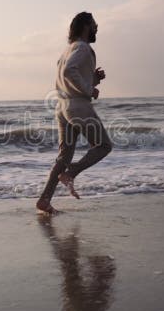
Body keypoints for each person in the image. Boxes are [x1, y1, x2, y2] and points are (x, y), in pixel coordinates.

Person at [37, 11, 113, 215]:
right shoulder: (82, 47)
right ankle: (71, 173)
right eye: (94, 24)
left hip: (62, 107)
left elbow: (69, 76)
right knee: (104, 145)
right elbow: (69, 72)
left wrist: (93, 80)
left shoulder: (67, 50)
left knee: (63, 157)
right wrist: (89, 90)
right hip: (77, 106)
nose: (97, 28)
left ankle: (44, 201)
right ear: (86, 25)